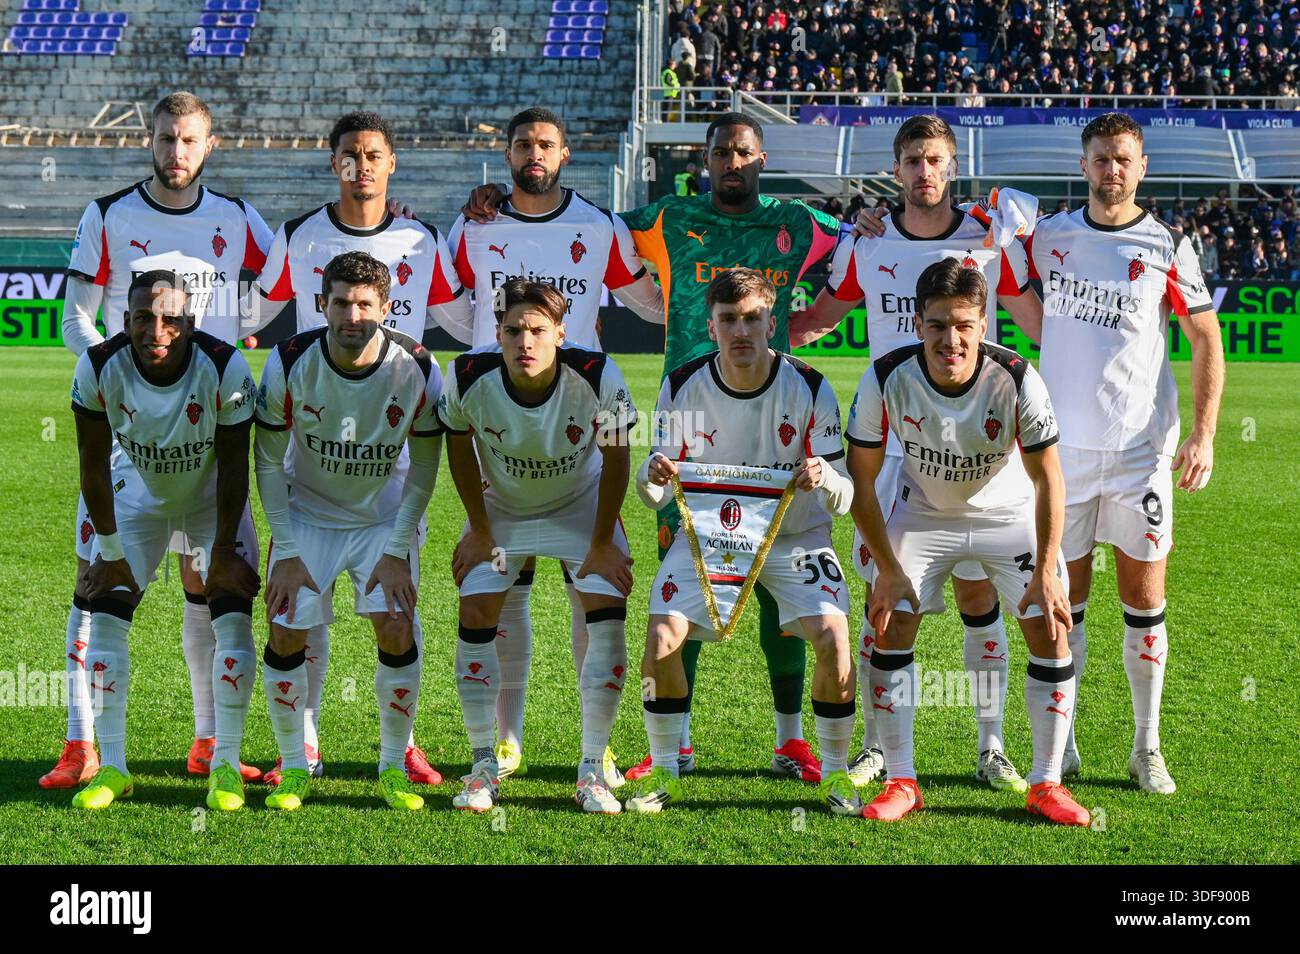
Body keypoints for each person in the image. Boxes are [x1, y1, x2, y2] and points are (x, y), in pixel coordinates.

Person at [462, 112, 885, 786]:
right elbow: (581, 219)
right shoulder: (663, 218)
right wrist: (495, 202)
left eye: (744, 152)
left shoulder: (798, 223)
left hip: (771, 408)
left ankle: (791, 740)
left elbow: (858, 244)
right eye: (721, 153)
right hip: (689, 418)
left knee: (785, 571)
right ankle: (675, 743)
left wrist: (808, 313)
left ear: (761, 157)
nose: (733, 163)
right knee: (681, 574)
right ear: (706, 160)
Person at [791, 114, 1044, 792]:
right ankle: (878, 747)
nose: (924, 172)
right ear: (896, 169)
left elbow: (1036, 319)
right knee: (885, 603)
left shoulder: (990, 236)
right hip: (893, 452)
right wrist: (743, 337)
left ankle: (991, 746)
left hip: (978, 450)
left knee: (978, 593)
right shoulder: (865, 244)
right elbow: (818, 318)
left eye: (934, 160)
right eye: (912, 161)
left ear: (951, 165)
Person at [48, 90, 271, 790]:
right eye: (166, 138)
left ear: (211, 145)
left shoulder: (237, 218)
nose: (176, 152)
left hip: (212, 430)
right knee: (97, 583)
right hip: (132, 434)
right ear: (151, 139)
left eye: (189, 140)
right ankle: (80, 745)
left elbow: (303, 262)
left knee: (208, 588)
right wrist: (131, 387)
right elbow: (74, 322)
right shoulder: (109, 214)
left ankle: (211, 744)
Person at [243, 110, 464, 786]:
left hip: (389, 478)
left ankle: (399, 752)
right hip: (308, 466)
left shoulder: (424, 243)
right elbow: (247, 316)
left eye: (373, 155)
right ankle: (298, 751)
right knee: (293, 621)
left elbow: (466, 319)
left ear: (391, 162)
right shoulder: (298, 240)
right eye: (349, 155)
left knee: (396, 617)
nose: (361, 166)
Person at [444, 107, 662, 782]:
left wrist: (677, 277)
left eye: (545, 145)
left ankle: (595, 747)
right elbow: (449, 307)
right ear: (505, 154)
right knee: (504, 592)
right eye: (521, 145)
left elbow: (649, 303)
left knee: (589, 587)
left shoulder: (600, 227)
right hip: (500, 425)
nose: (532, 154)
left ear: (565, 153)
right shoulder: (473, 224)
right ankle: (505, 742)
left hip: (580, 428)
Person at [1021, 112, 1225, 793]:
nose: (1113, 169)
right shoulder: (1048, 237)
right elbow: (985, 254)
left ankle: (1146, 746)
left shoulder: (1168, 245)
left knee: (1144, 599)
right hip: (1061, 457)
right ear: (1083, 165)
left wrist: (1204, 434)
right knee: (1062, 603)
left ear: (1142, 168)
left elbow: (1205, 340)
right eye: (1102, 157)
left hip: (1140, 454)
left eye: (1125, 159)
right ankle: (1066, 742)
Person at [847, 259, 1088, 826]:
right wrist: (886, 566)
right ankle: (903, 780)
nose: (950, 340)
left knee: (1049, 626)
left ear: (983, 323)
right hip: (924, 513)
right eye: (936, 325)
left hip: (1006, 513)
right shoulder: (885, 377)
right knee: (892, 619)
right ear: (917, 322)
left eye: (962, 325)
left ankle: (1045, 784)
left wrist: (1048, 568)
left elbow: (1048, 479)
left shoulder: (1019, 378)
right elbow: (861, 480)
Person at [628, 269, 858, 816]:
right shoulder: (683, 384)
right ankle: (667, 770)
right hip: (710, 539)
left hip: (795, 537)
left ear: (771, 323)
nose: (740, 330)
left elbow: (845, 498)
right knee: (661, 636)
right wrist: (652, 475)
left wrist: (825, 478)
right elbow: (653, 496)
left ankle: (836, 775)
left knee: (833, 638)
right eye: (728, 319)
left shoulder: (809, 385)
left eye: (752, 318)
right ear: (710, 327)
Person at [438, 279, 636, 813]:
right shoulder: (465, 375)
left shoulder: (597, 376)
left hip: (581, 507)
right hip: (503, 510)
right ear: (497, 335)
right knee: (477, 604)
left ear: (560, 334)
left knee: (607, 611)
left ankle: (592, 767)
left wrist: (601, 541)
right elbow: (458, 450)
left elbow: (618, 461)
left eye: (538, 331)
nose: (525, 341)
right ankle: (483, 766)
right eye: (513, 331)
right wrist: (478, 529)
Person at [253, 251, 442, 811]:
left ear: (386, 307)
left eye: (365, 303)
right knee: (287, 631)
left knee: (395, 624)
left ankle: (391, 768)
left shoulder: (417, 365)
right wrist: (285, 550)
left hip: (383, 518)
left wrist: (397, 547)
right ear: (321, 305)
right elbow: (265, 463)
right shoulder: (288, 360)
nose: (352, 315)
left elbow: (426, 465)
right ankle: (293, 768)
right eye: (340, 302)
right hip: (307, 514)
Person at [69, 269, 260, 810]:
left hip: (209, 503)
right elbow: (91, 466)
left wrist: (222, 551)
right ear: (125, 320)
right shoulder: (99, 365)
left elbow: (233, 468)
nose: (157, 330)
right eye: (143, 318)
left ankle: (224, 764)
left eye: (171, 319)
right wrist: (107, 551)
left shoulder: (224, 366)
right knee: (105, 616)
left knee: (231, 619)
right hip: (136, 500)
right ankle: (113, 768)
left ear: (190, 322)